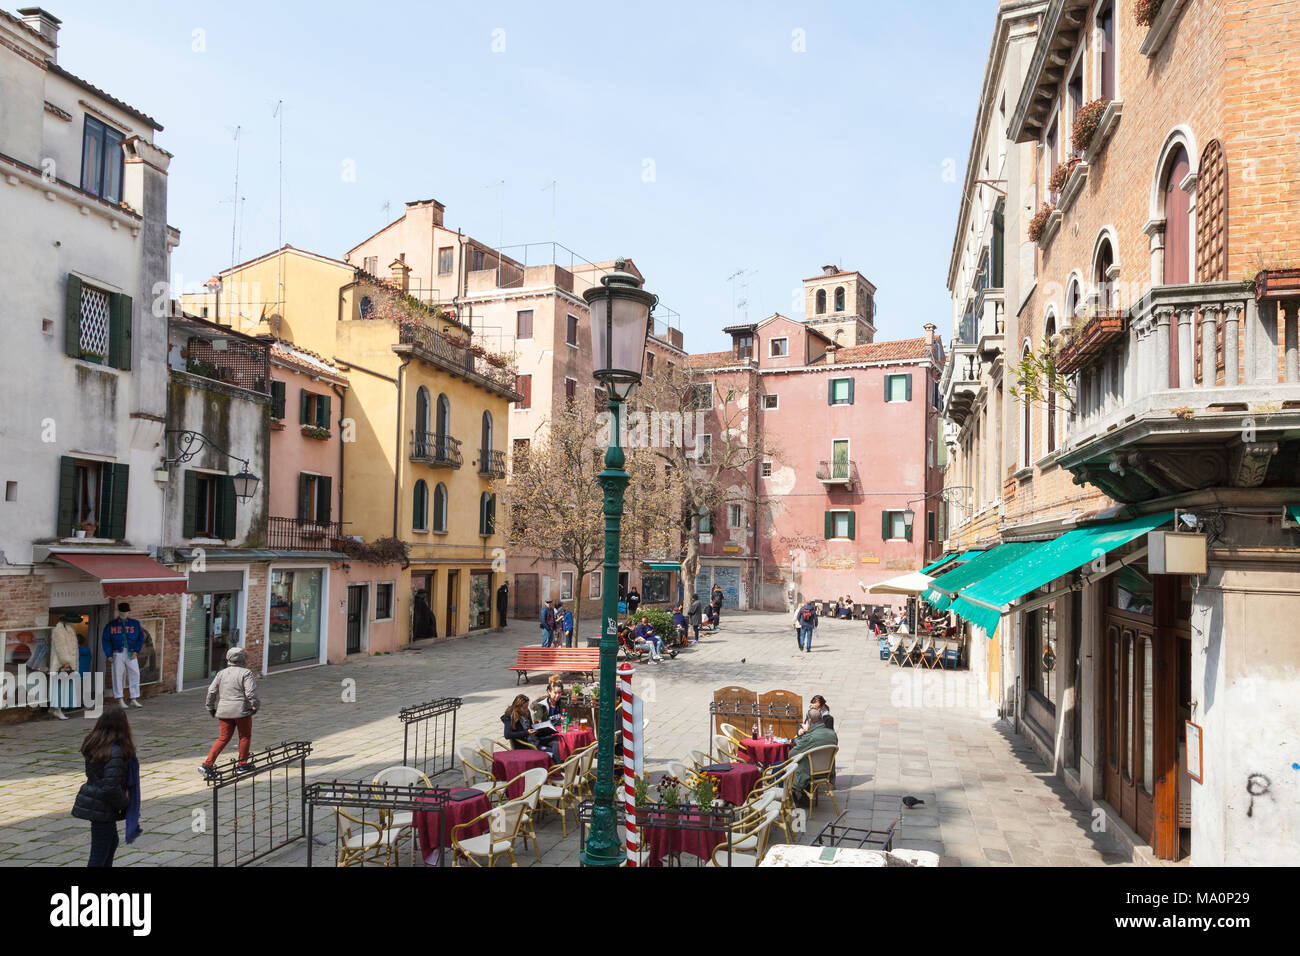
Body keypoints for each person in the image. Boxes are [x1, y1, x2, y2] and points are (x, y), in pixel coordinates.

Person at [72, 707, 136, 867]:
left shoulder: (95, 743)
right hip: (103, 806)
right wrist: (126, 804)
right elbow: (111, 787)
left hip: (98, 802)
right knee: (99, 854)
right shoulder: (115, 752)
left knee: (111, 842)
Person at [199, 646, 260, 779]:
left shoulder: (221, 673)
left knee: (223, 738)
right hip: (241, 711)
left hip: (224, 711)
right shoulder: (246, 673)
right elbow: (250, 693)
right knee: (244, 736)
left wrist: (210, 707)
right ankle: (242, 765)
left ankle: (207, 765)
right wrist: (255, 706)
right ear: (243, 659)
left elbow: (211, 691)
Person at [786, 712, 838, 807]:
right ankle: (804, 797)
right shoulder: (832, 734)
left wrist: (807, 733)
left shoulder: (810, 737)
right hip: (827, 772)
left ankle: (792, 800)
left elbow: (791, 754)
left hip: (809, 773)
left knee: (781, 768)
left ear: (809, 721)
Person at [101, 602, 146, 708]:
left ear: (128, 612)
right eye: (122, 612)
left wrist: (136, 651)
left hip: (131, 652)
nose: (124, 614)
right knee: (117, 675)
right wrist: (109, 654)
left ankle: (134, 698)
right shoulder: (111, 625)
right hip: (117, 652)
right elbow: (106, 640)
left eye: (126, 612)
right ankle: (120, 698)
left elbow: (141, 638)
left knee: (135, 673)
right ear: (119, 612)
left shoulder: (135, 624)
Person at [502, 693, 560, 762]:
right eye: (524, 708)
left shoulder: (526, 712)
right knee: (552, 752)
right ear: (517, 707)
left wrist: (536, 725)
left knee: (556, 741)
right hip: (526, 743)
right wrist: (526, 732)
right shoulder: (510, 715)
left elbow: (529, 726)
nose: (526, 710)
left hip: (534, 738)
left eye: (527, 707)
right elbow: (507, 735)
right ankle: (555, 766)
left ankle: (557, 766)